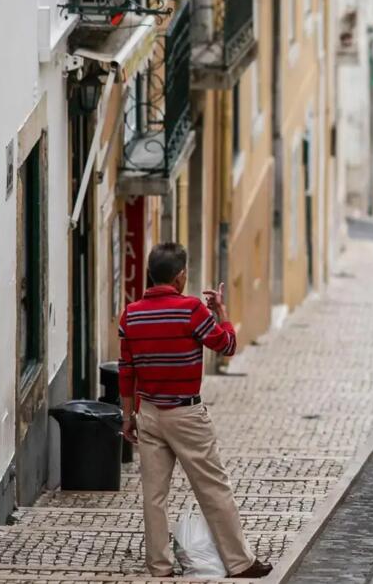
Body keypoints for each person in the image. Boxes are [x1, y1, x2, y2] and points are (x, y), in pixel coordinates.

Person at [119, 244, 272, 578]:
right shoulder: (191, 310)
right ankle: (239, 562)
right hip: (186, 415)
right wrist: (222, 312)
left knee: (153, 495)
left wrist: (128, 415)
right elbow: (227, 345)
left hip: (149, 414)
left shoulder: (130, 315)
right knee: (213, 487)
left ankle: (159, 566)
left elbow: (126, 369)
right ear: (180, 276)